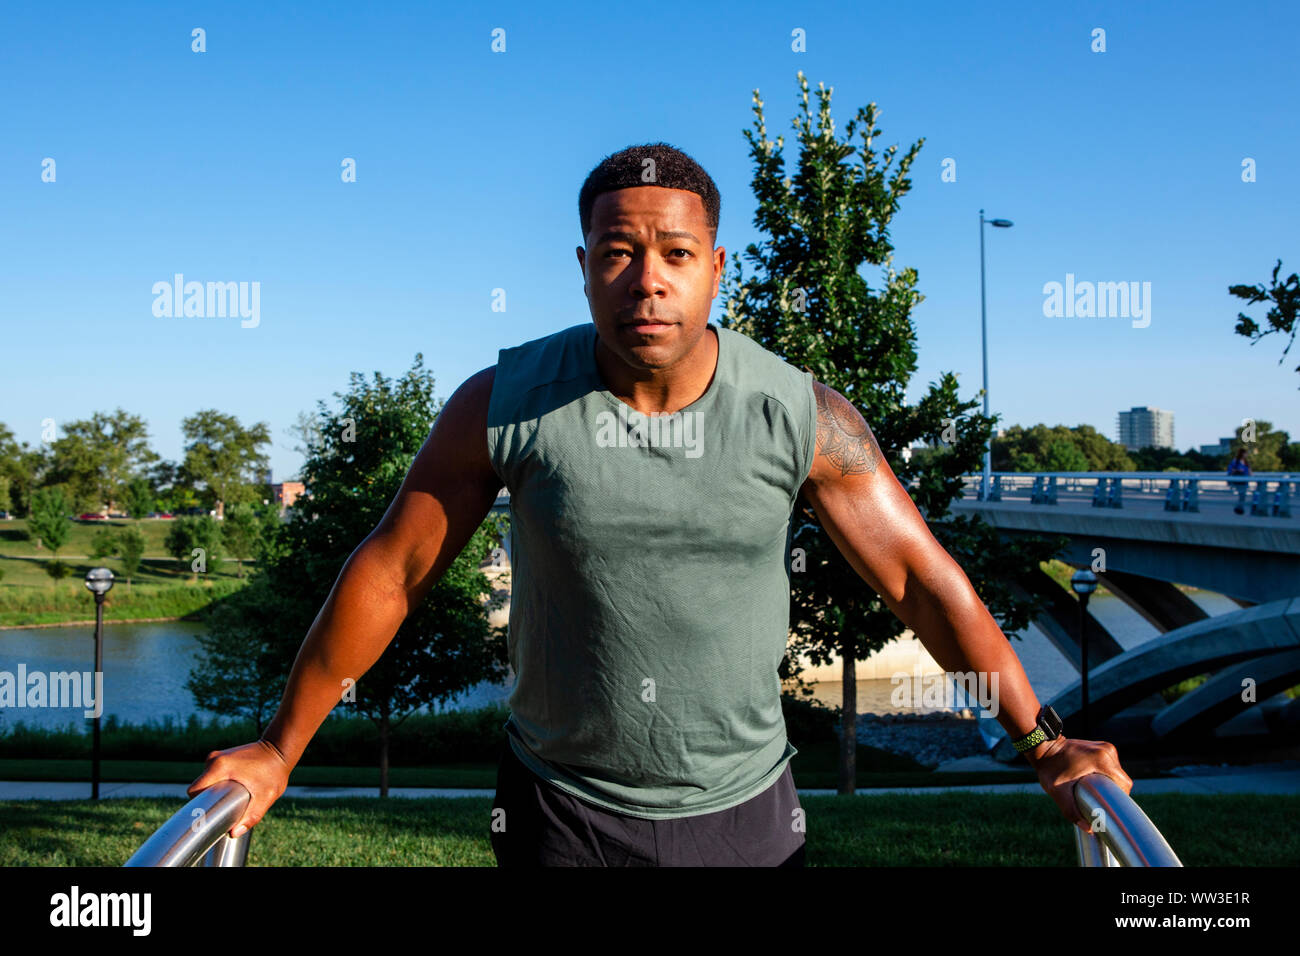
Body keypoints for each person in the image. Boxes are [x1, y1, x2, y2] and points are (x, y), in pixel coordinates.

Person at [188, 143, 1132, 867]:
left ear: (716, 266)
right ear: (584, 264)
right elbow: (392, 572)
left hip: (745, 815)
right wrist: (279, 749)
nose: (649, 278)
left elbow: (922, 582)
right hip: (556, 810)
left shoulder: (800, 416)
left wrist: (1043, 742)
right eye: (619, 252)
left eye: (676, 252)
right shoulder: (504, 402)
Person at [1228, 447, 1252, 514]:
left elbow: (1249, 471)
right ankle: (1239, 508)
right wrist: (1238, 470)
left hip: (1245, 481)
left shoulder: (1246, 462)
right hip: (1238, 481)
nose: (1246, 455)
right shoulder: (1236, 461)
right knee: (1242, 495)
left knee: (1242, 495)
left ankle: (1239, 508)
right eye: (1245, 453)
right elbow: (1230, 470)